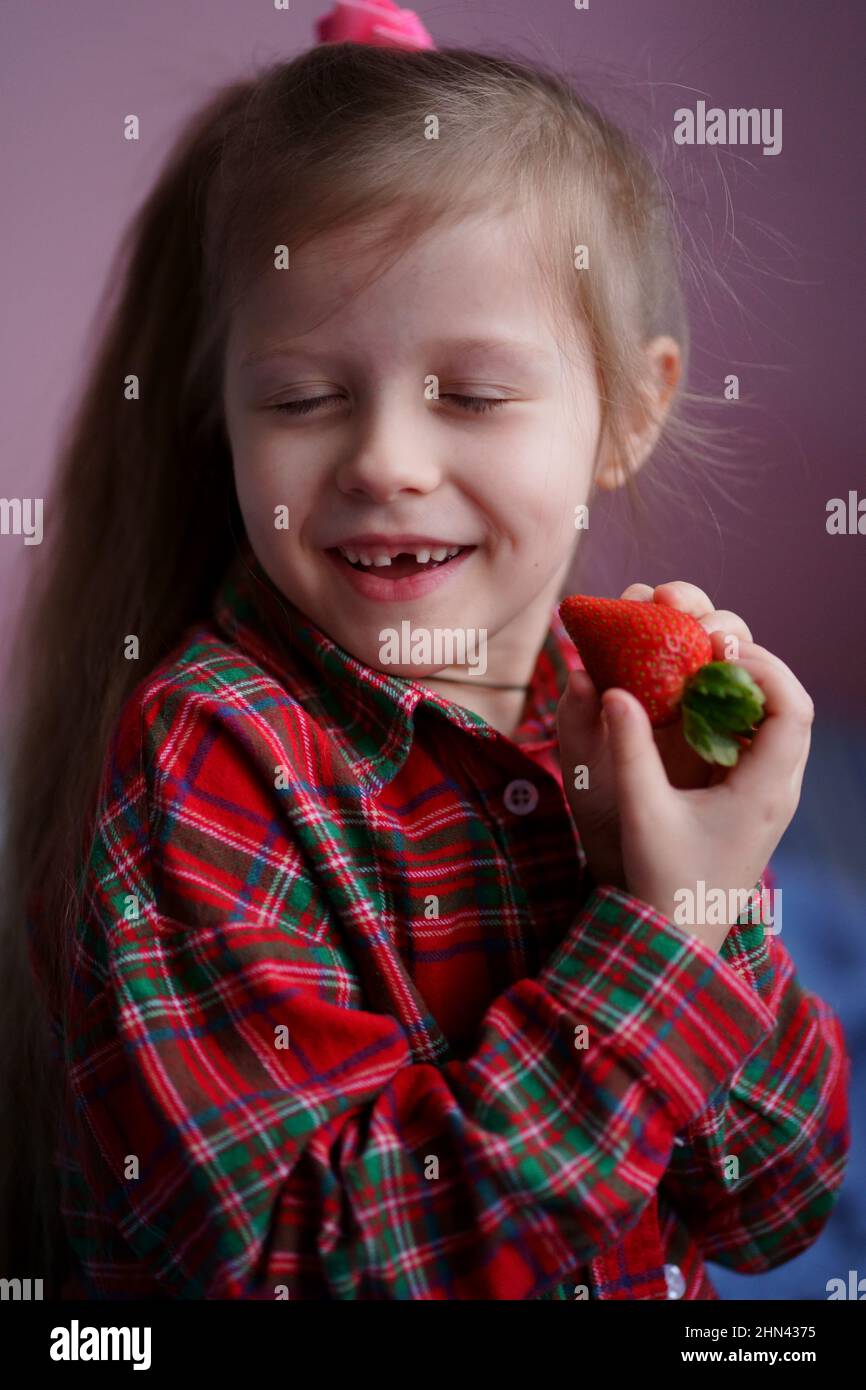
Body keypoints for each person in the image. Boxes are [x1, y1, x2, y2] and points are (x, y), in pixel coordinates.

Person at [0, 0, 849, 1300]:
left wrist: (704, 887)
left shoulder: (603, 707)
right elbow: (311, 1269)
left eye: (471, 393)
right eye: (302, 398)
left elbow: (771, 1199)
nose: (387, 461)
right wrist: (658, 942)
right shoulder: (209, 762)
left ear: (626, 414)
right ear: (224, 422)